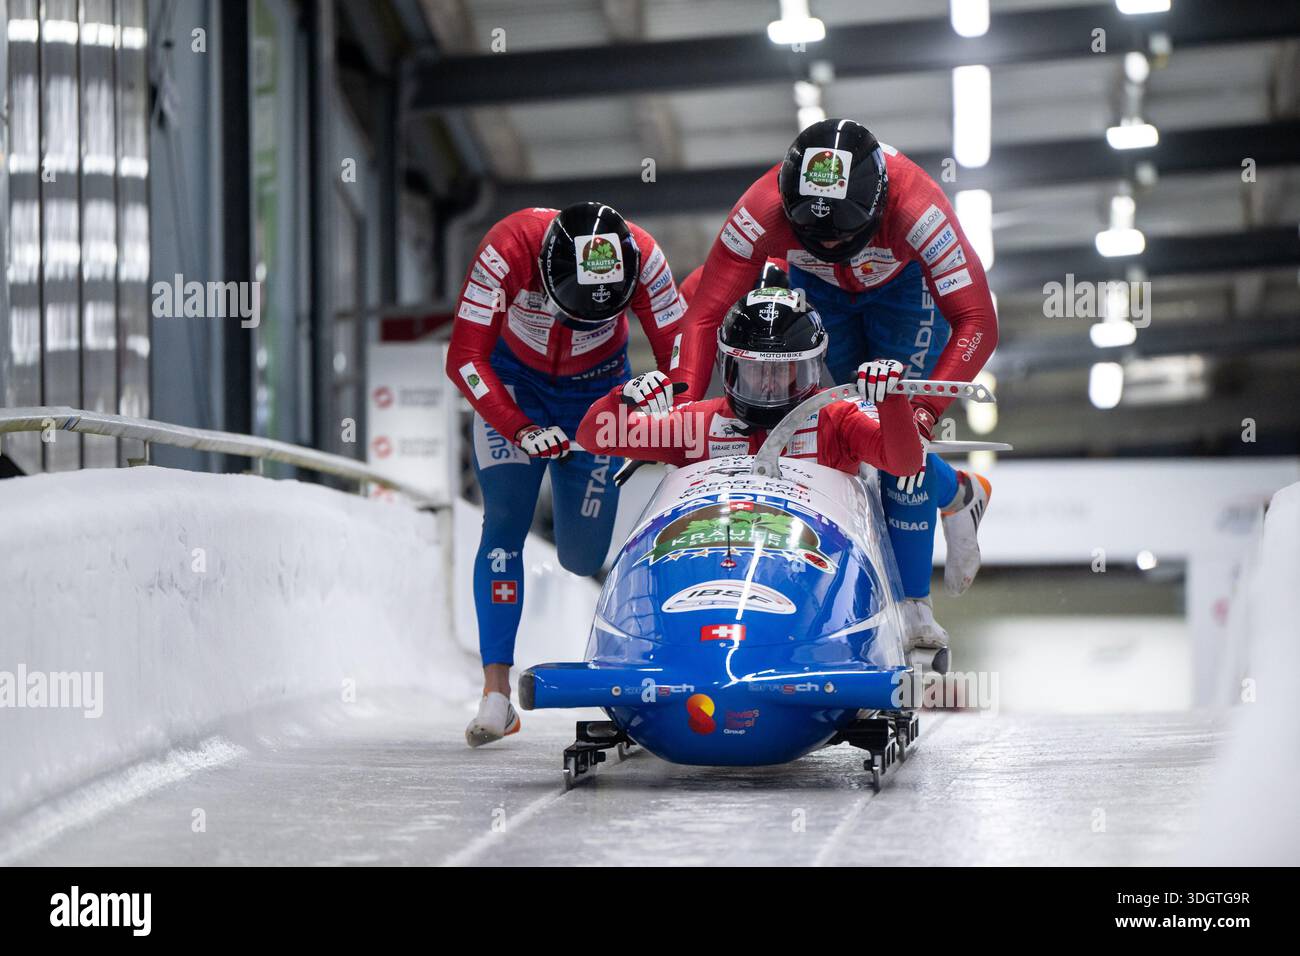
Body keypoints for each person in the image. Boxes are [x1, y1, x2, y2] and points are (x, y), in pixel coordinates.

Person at [668, 118, 998, 650]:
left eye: (843, 235)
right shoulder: (759, 210)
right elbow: (703, 312)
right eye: (814, 236)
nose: (830, 243)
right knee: (835, 428)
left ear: (879, 208)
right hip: (819, 296)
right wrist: (680, 399)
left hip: (905, 294)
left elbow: (979, 322)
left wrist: (924, 413)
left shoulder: (919, 210)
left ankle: (915, 606)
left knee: (899, 432)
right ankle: (957, 494)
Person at [576, 289, 990, 671]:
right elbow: (594, 434)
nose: (770, 387)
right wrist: (624, 397)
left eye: (786, 372)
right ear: (729, 368)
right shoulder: (699, 423)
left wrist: (892, 399)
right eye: (755, 373)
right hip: (713, 553)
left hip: (804, 567)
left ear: (813, 368)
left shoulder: (836, 419)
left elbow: (903, 463)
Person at [446, 201, 684, 747]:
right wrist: (518, 426)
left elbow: (680, 348)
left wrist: (662, 393)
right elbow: (464, 357)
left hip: (594, 397)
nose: (582, 322)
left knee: (580, 557)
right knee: (504, 520)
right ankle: (496, 695)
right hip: (514, 388)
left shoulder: (645, 257)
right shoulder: (506, 248)